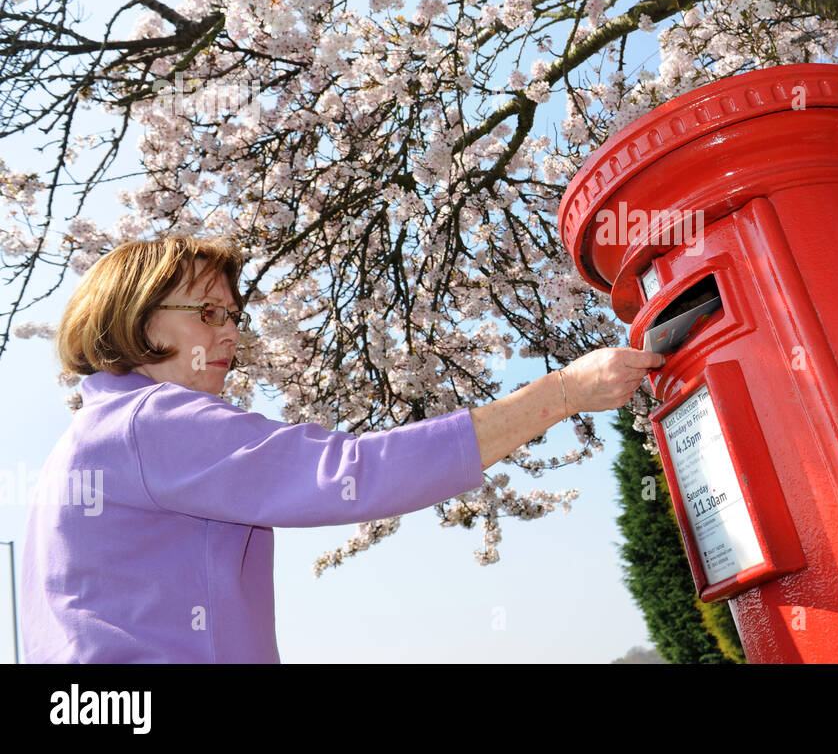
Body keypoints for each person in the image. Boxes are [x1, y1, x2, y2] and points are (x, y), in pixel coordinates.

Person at [21, 236, 663, 662]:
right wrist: (560, 394)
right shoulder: (155, 420)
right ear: (137, 317)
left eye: (234, 315)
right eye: (208, 313)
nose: (231, 335)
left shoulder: (84, 442)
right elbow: (354, 473)